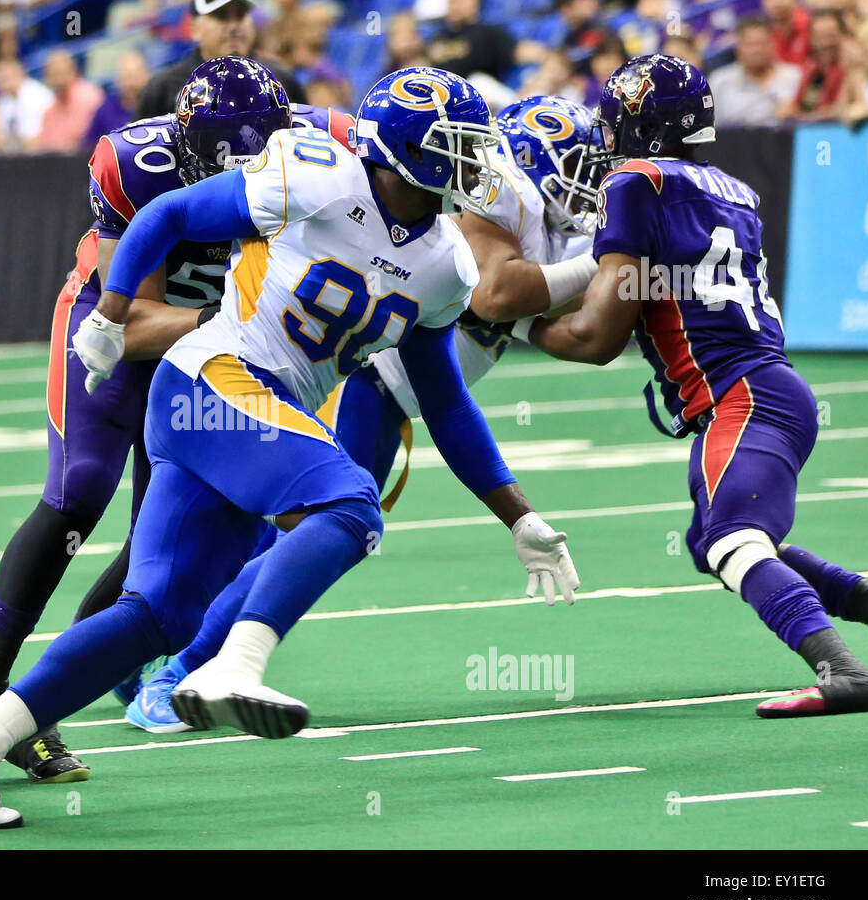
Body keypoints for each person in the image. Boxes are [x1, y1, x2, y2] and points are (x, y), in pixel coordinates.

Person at [0, 66, 578, 828]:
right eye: (458, 147)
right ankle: (238, 663)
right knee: (348, 502)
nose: (475, 165)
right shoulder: (316, 172)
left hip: (244, 406)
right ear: (406, 152)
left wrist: (519, 515)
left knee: (158, 614)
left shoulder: (447, 265)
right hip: (214, 378)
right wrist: (108, 311)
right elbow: (166, 215)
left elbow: (445, 402)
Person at [127, 94, 604, 732]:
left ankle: (173, 661)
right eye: (580, 162)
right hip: (341, 383)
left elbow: (540, 343)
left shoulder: (480, 239)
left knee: (289, 539)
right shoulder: (493, 208)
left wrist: (519, 515)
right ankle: (182, 670)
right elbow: (496, 299)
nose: (590, 179)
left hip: (371, 393)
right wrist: (607, 262)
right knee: (311, 532)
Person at [0, 57, 349, 789]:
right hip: (120, 332)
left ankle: (35, 702)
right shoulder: (135, 163)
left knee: (166, 544)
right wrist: (243, 323)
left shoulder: (321, 142)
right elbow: (133, 314)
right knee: (80, 490)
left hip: (220, 353)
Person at [513, 53, 868, 718]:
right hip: (767, 390)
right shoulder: (733, 188)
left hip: (741, 397)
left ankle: (843, 669)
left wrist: (514, 327)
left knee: (735, 540)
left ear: (641, 127)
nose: (608, 137)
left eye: (617, 122)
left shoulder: (636, 180)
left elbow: (598, 337)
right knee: (713, 543)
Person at [135, 0, 307, 119]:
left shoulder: (279, 79)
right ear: (194, 28)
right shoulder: (163, 88)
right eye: (221, 16)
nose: (233, 27)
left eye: (240, 15)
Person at [708, 16, 802, 126]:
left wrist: (795, 114)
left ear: (773, 45)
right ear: (738, 49)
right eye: (750, 44)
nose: (756, 50)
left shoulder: (794, 76)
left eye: (762, 43)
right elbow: (710, 125)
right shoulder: (719, 81)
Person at [27, 50, 104, 153]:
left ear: (73, 71)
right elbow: (42, 144)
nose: (58, 79)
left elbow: (87, 140)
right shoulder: (50, 111)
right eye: (52, 74)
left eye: (61, 73)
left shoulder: (89, 97)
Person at [783, 9, 849, 119]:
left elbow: (843, 108)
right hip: (810, 133)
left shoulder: (851, 71)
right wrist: (789, 110)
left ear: (843, 36)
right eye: (820, 37)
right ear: (812, 39)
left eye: (831, 36)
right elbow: (796, 106)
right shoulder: (809, 70)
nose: (825, 43)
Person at [83, 50, 150, 147]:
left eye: (136, 76)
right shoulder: (105, 110)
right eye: (126, 77)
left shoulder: (161, 106)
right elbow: (89, 147)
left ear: (147, 75)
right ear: (117, 80)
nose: (132, 83)